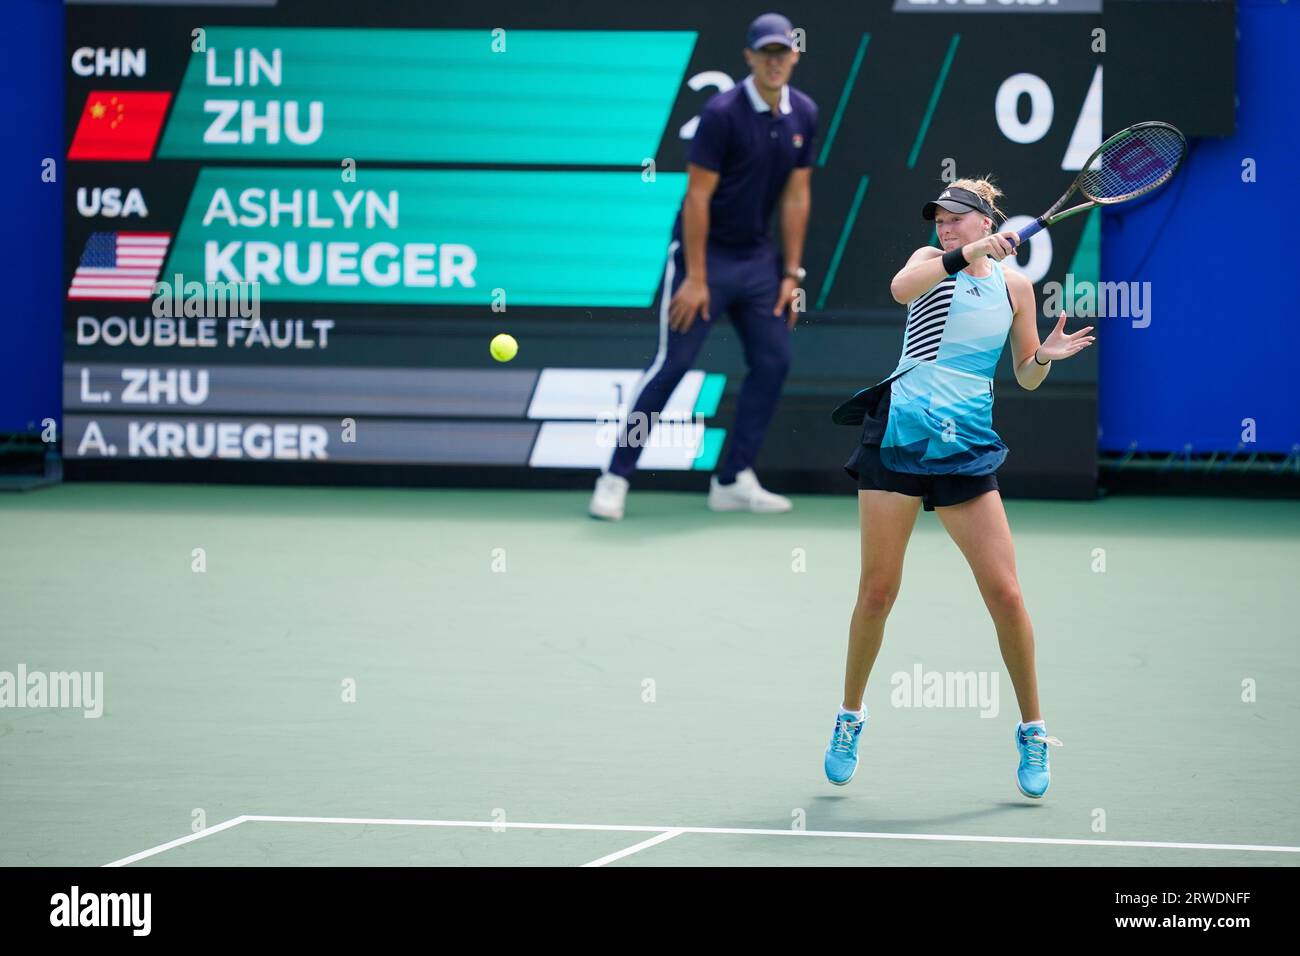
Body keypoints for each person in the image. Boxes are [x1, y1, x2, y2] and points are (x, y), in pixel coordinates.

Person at [823, 179, 1095, 798]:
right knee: (878, 591)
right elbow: (900, 289)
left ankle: (1032, 728)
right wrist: (966, 255)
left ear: (985, 220)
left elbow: (1024, 377)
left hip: (965, 444)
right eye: (938, 219)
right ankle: (849, 717)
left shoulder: (1016, 286)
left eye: (956, 218)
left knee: (1005, 592)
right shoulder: (929, 264)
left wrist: (1044, 354)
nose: (943, 226)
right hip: (898, 433)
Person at [589, 12, 817, 521]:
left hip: (758, 260)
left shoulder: (803, 114)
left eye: (783, 52)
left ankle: (733, 478)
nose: (775, 62)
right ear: (750, 58)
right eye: (766, 53)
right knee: (674, 364)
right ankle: (615, 477)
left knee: (775, 360)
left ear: (794, 56)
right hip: (704, 257)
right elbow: (696, 199)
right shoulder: (722, 114)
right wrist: (694, 276)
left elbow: (797, 196)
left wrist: (791, 273)